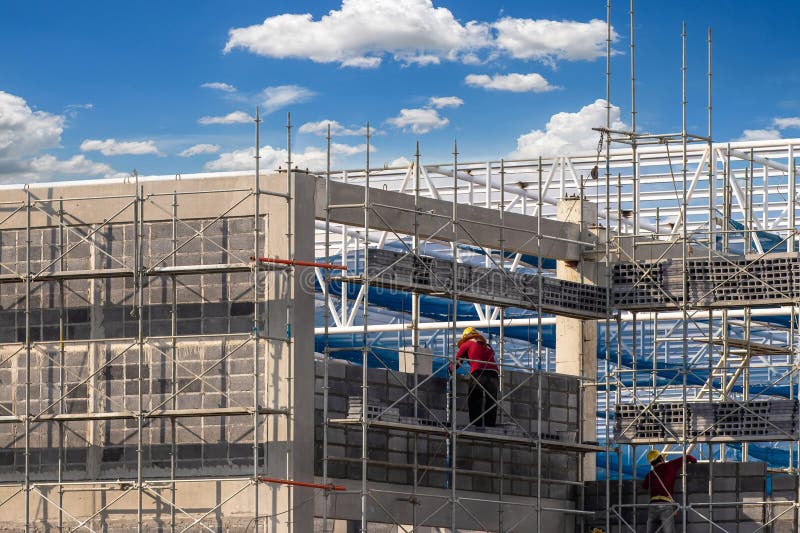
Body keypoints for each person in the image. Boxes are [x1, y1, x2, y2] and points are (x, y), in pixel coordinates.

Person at [642, 450, 697, 533]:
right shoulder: (670, 465)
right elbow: (688, 457)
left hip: (653, 505)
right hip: (666, 504)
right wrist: (694, 461)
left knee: (651, 530)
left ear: (651, 463)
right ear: (661, 458)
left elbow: (644, 486)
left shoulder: (650, 474)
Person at [455, 327, 499, 428]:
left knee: (475, 398)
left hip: (479, 373)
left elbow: (457, 361)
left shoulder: (467, 344)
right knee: (491, 401)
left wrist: (450, 371)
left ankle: (476, 424)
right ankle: (490, 426)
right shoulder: (487, 346)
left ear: (465, 337)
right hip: (494, 374)